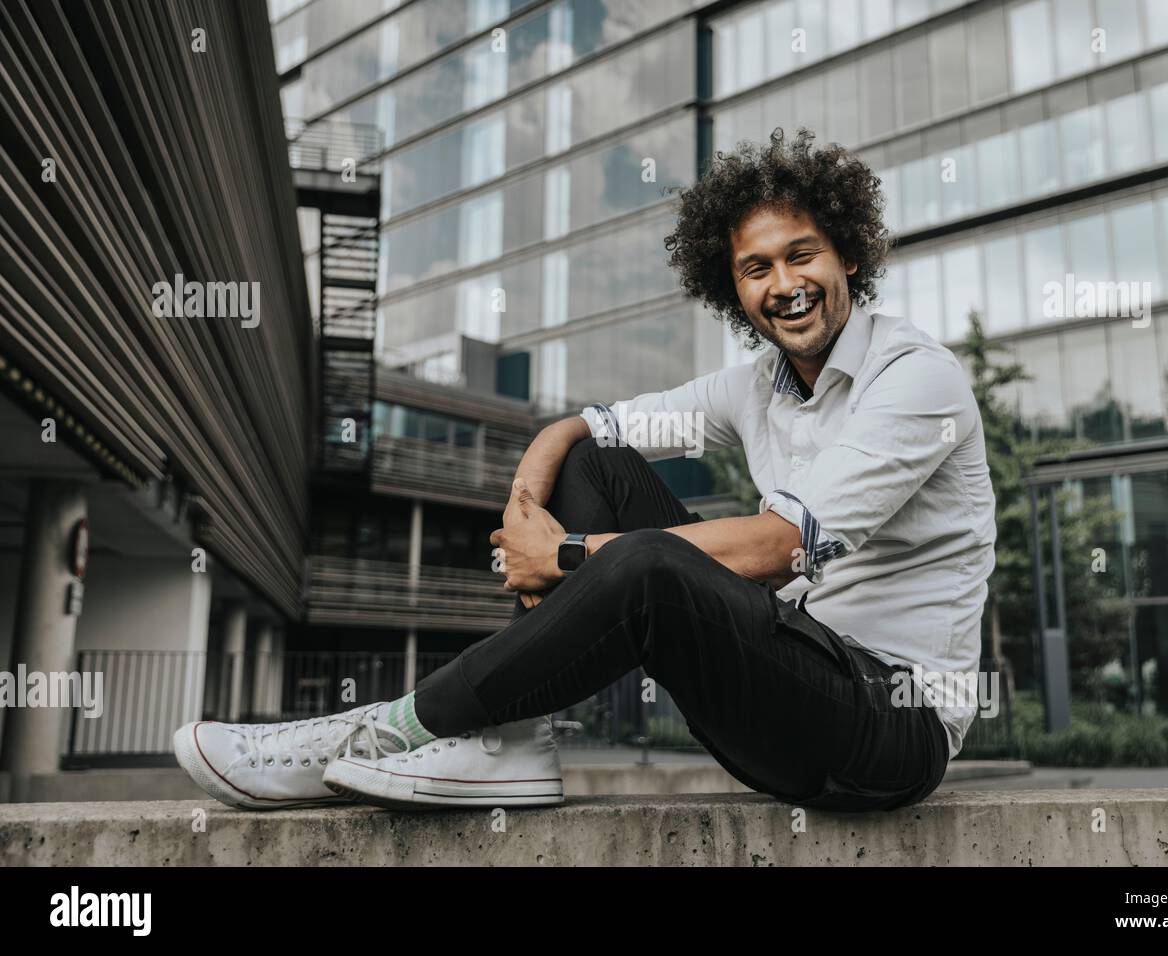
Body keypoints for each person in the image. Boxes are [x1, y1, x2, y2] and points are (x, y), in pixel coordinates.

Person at [174, 127, 996, 813]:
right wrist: (527, 506)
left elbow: (778, 546)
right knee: (593, 463)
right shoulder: (755, 386)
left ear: (847, 255)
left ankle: (382, 729)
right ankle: (516, 737)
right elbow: (580, 425)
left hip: (889, 729)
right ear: (732, 287)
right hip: (790, 675)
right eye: (757, 268)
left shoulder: (916, 379)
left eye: (801, 255)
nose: (784, 286)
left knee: (646, 558)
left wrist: (565, 556)